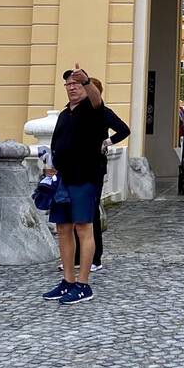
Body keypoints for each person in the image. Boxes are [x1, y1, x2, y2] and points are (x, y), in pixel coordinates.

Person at [42, 64, 128, 305]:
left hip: (85, 177)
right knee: (63, 228)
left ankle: (83, 283)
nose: (71, 88)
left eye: (76, 84)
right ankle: (68, 280)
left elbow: (98, 100)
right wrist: (52, 166)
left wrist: (87, 81)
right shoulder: (64, 114)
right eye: (68, 84)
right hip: (63, 178)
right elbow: (57, 143)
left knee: (83, 227)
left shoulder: (93, 109)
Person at [72, 77, 129, 273]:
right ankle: (78, 256)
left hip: (95, 166)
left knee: (91, 212)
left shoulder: (103, 112)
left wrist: (107, 142)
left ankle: (95, 257)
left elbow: (124, 130)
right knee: (77, 214)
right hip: (77, 167)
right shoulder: (78, 112)